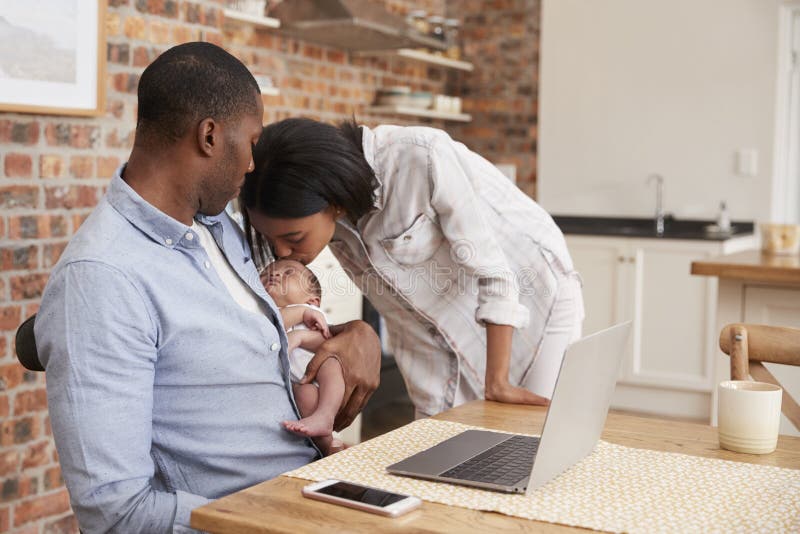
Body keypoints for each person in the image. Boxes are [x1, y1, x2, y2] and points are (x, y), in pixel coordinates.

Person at [35, 43, 380, 533]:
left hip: (315, 488)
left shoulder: (219, 229)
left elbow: (266, 337)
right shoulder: (102, 279)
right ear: (211, 136)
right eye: (252, 141)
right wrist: (279, 524)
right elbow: (117, 513)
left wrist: (357, 334)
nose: (253, 165)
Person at [241, 118, 584, 419]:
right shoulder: (330, 215)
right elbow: (404, 311)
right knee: (441, 453)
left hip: (534, 300)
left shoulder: (420, 158)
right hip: (439, 331)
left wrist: (498, 380)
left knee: (531, 441)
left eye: (293, 237)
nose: (281, 251)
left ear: (332, 200)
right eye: (272, 238)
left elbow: (495, 273)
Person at [260, 259, 345, 455]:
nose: (275, 274)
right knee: (305, 397)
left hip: (326, 377)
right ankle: (328, 446)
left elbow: (326, 340)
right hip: (303, 383)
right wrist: (297, 313)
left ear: (312, 300)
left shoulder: (312, 312)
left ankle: (326, 415)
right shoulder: (266, 315)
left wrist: (300, 333)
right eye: (265, 274)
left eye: (289, 272)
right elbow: (274, 325)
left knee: (331, 361)